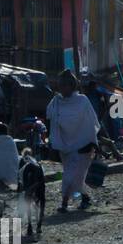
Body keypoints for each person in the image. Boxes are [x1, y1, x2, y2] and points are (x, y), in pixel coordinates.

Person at [46, 69, 100, 213]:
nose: (62, 89)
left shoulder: (82, 100)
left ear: (72, 85)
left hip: (83, 145)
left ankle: (64, 203)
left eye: (65, 85)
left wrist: (94, 141)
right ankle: (85, 197)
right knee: (72, 175)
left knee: (72, 176)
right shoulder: (56, 101)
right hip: (65, 146)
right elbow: (49, 115)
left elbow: (91, 122)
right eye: (60, 86)